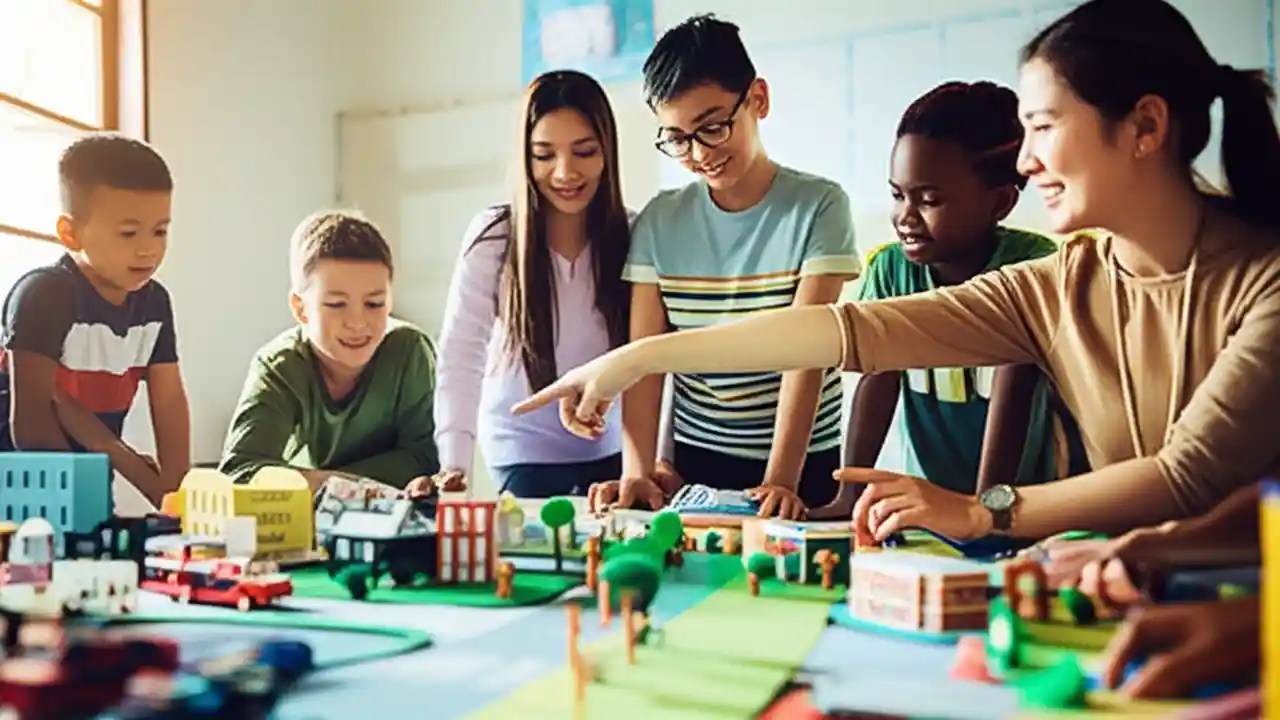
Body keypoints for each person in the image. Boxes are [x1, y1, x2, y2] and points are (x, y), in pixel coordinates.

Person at [515, 0, 1280, 544]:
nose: (1024, 159)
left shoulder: (1263, 284)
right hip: (1133, 592)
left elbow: (1188, 478)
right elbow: (850, 333)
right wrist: (636, 358)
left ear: (1145, 126)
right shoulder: (1064, 283)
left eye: (1043, 127)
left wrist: (985, 512)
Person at [586, 15, 860, 519]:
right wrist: (638, 471)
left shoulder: (818, 206)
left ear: (758, 99)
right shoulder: (659, 221)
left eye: (712, 127)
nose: (699, 153)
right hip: (697, 460)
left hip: (804, 462)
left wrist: (781, 479)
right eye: (678, 138)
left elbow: (808, 351)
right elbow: (645, 360)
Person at [809, 81, 1087, 520]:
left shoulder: (1033, 268)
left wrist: (984, 511)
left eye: (929, 199)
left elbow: (1014, 391)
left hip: (1026, 509)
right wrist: (848, 496)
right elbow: (877, 380)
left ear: (1000, 202)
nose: (905, 216)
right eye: (898, 194)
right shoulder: (890, 271)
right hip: (930, 511)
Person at [410, 70, 634, 499]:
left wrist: (656, 463)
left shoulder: (634, 234)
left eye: (584, 151)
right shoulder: (495, 235)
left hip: (612, 449)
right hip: (520, 450)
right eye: (544, 155)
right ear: (525, 158)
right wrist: (453, 464)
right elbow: (461, 352)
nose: (565, 172)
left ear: (607, 151)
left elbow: (654, 364)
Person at [0, 134, 191, 505]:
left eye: (160, 230)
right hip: (21, 480)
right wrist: (117, 471)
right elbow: (32, 425)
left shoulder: (154, 303)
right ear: (70, 233)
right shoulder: (44, 294)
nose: (148, 248)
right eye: (128, 233)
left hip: (85, 474)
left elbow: (168, 398)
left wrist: (177, 490)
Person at [219, 210, 439, 491]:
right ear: (301, 309)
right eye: (336, 304)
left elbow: (427, 458)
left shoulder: (410, 351)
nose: (358, 323)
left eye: (374, 303)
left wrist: (325, 483)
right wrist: (349, 487)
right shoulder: (280, 366)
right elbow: (240, 471)